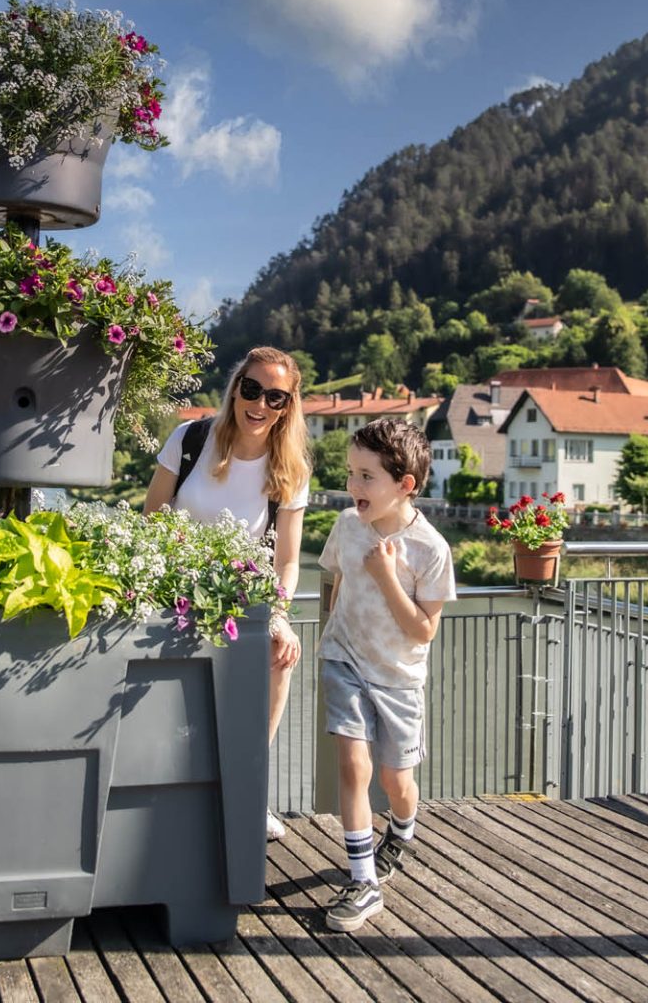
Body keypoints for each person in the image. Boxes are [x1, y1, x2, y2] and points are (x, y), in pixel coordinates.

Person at [143, 345, 310, 843]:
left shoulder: (290, 470)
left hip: (238, 596)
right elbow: (152, 519)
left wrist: (278, 613)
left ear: (287, 406)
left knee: (282, 654)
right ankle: (164, 795)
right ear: (236, 388)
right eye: (252, 389)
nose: (259, 404)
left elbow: (287, 561)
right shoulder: (191, 439)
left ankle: (246, 789)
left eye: (274, 397)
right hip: (172, 588)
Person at [314, 417, 454, 933]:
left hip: (399, 678)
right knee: (353, 765)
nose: (353, 487)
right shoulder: (346, 525)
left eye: (366, 476)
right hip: (344, 660)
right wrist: (330, 637)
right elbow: (335, 586)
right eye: (351, 473)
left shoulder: (431, 550)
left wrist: (386, 575)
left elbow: (423, 632)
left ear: (405, 485)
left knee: (397, 781)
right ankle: (363, 881)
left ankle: (400, 831)